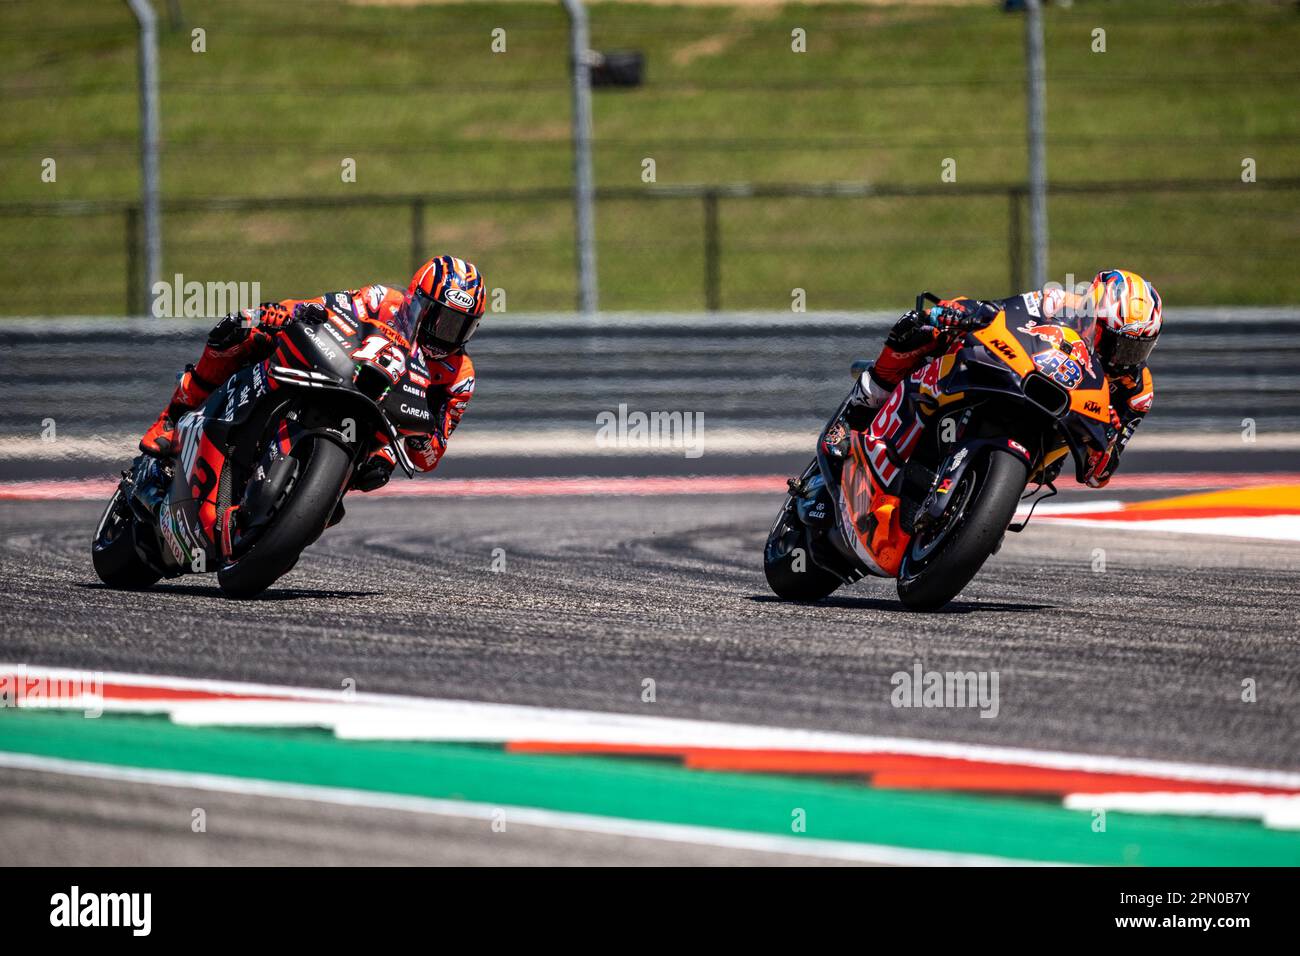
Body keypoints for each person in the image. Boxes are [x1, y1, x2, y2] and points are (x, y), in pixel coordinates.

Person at [138, 255, 486, 492]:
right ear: (418, 303)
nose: (446, 334)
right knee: (240, 330)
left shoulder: (459, 376)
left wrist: (419, 435)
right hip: (334, 369)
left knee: (376, 472)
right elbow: (322, 308)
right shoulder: (383, 300)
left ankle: (304, 498)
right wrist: (274, 314)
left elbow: (430, 457)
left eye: (459, 327)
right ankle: (174, 416)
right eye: (441, 319)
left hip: (376, 429)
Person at [829, 269, 1161, 487]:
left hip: (1046, 440)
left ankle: (974, 510)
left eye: (1136, 349)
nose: (1123, 358)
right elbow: (1003, 313)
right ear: (1094, 317)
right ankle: (861, 407)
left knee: (1050, 471)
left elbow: (1096, 477)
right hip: (1020, 376)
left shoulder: (1137, 393)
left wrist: (1108, 441)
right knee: (920, 327)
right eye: (1117, 343)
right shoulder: (1059, 303)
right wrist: (962, 311)